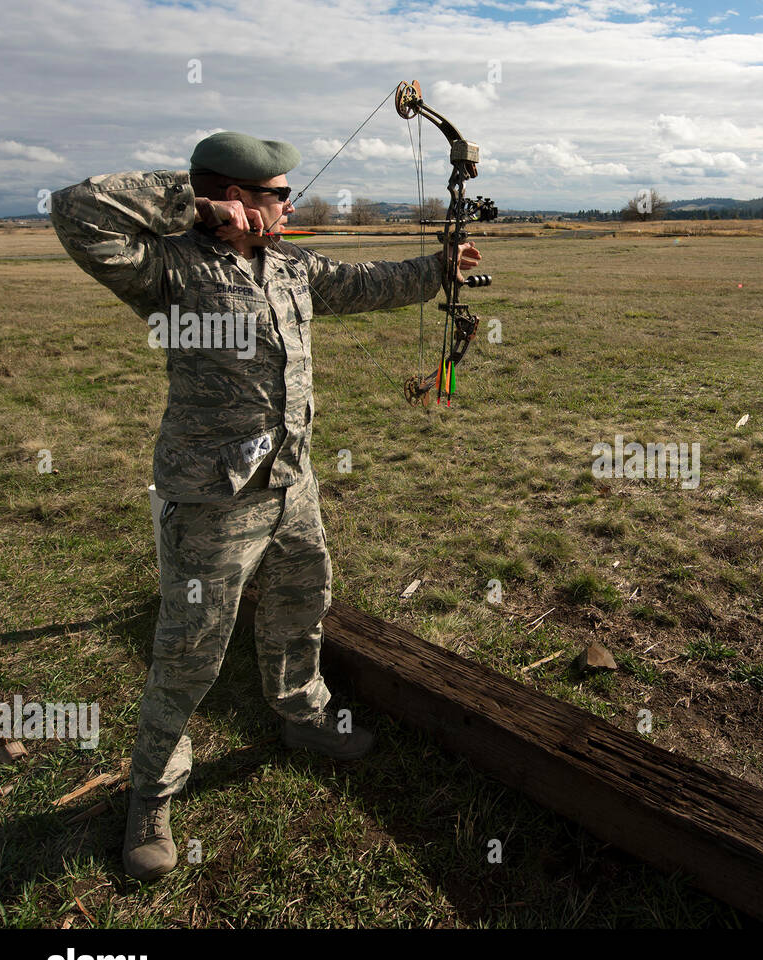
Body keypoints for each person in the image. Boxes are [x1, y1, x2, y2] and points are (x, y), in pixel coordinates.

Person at [49, 131, 482, 881]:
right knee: (191, 651)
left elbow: (361, 283)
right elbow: (75, 210)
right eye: (279, 193)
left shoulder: (289, 263)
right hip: (212, 497)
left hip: (292, 480)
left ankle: (302, 714)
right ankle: (151, 794)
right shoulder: (168, 268)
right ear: (240, 196)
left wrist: (438, 268)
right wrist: (194, 203)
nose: (291, 203)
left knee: (301, 600)